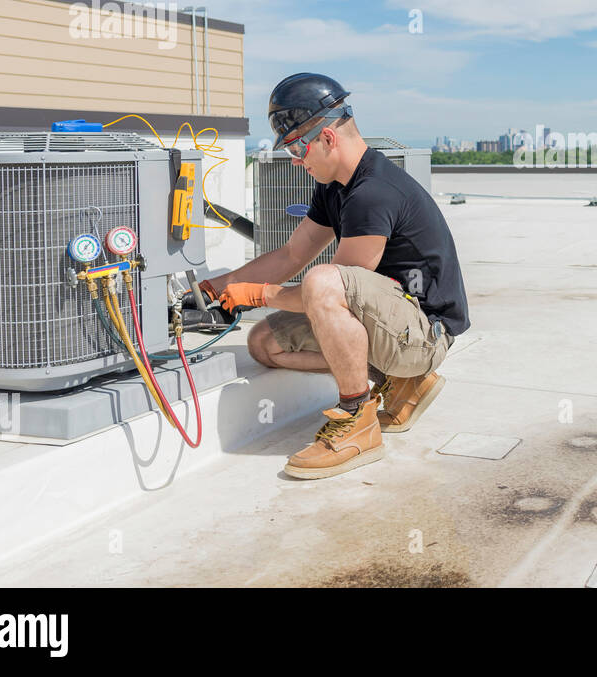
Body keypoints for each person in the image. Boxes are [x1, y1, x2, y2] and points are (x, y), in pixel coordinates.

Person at [201, 73, 470, 479]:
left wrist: (257, 295)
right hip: (393, 325)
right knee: (265, 343)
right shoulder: (335, 186)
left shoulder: (372, 192)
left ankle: (357, 417)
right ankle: (402, 382)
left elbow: (331, 289)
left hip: (422, 336)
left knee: (324, 281)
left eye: (296, 146)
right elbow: (293, 253)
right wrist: (220, 287)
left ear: (327, 138)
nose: (295, 159)